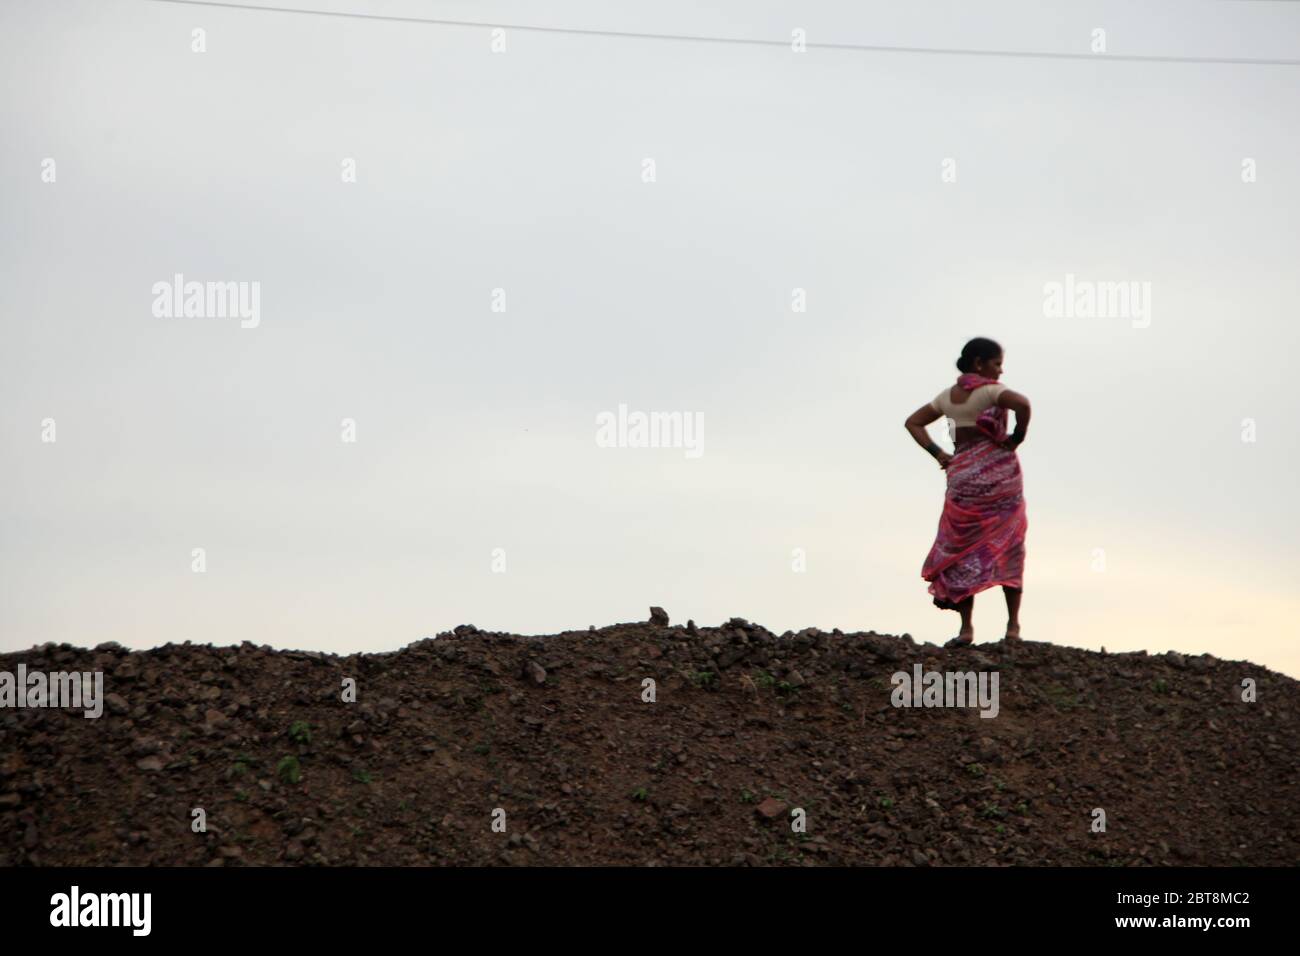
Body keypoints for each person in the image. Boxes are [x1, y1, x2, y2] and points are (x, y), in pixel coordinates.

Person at [903, 337, 1031, 647]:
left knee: (962, 551)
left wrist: (938, 453)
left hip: (963, 479)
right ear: (979, 364)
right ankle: (1012, 626)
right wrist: (1017, 436)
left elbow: (913, 423)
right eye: (997, 364)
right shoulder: (992, 392)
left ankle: (966, 629)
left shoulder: (947, 397)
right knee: (1010, 545)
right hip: (1000, 480)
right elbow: (1023, 404)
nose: (1000, 371)